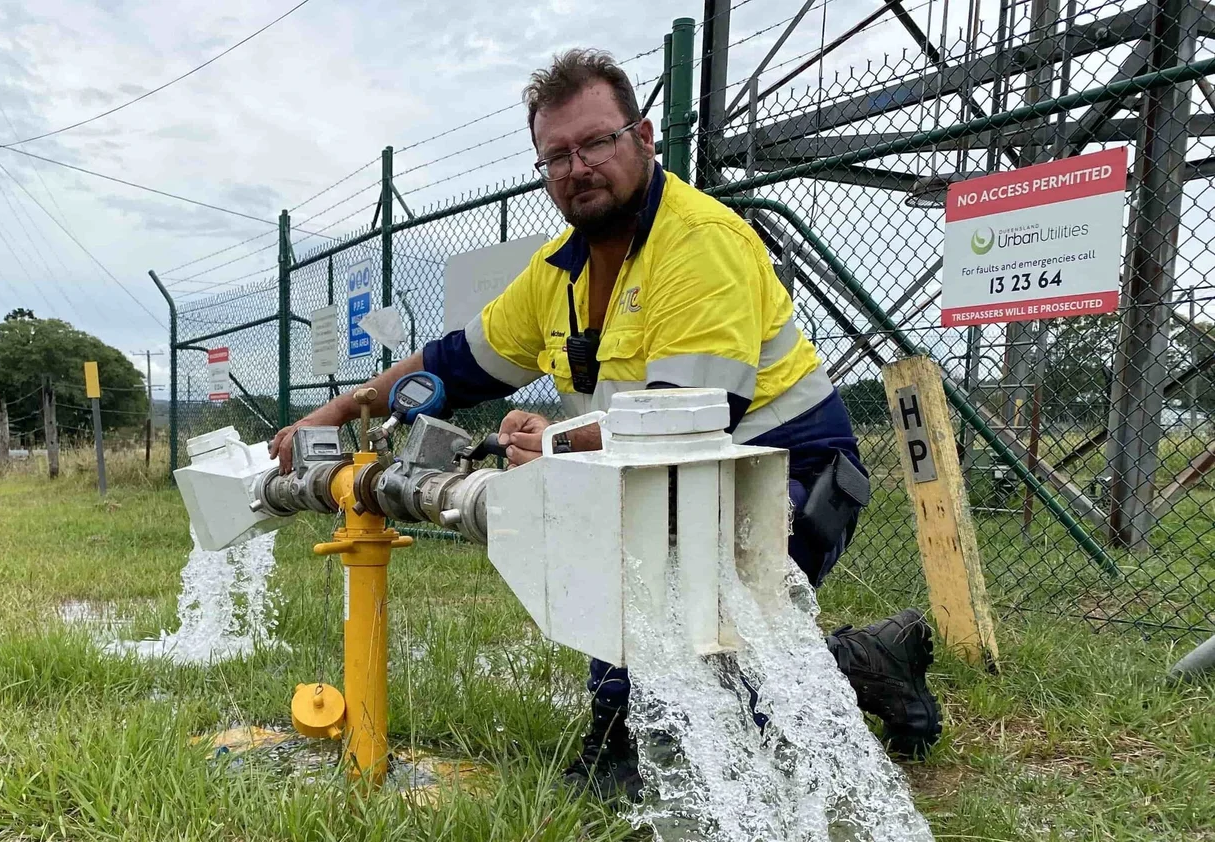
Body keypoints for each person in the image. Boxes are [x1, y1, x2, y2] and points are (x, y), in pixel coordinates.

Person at [270, 48, 941, 801]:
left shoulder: (700, 242)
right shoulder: (560, 269)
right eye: (556, 155)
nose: (577, 166)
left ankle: (850, 666)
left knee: (706, 690)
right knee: (645, 670)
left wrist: (556, 442)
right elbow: (453, 363)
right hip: (657, 480)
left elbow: (694, 415)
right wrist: (343, 408)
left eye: (596, 143)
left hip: (784, 475)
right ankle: (641, 722)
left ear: (643, 138)